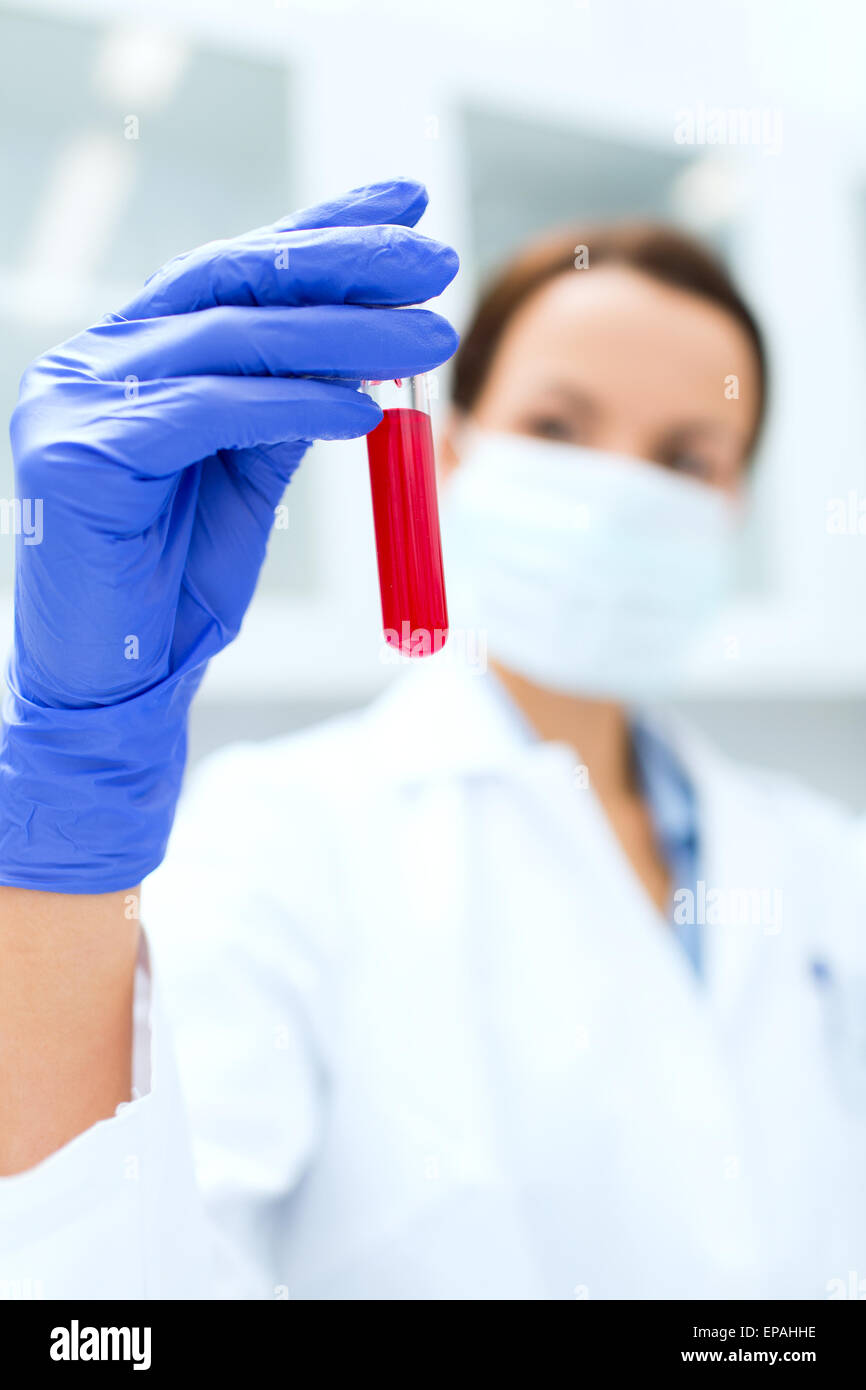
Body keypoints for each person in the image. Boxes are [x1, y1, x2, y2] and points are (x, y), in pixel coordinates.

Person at [1, 178, 864, 1301]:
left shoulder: (818, 863)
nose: (615, 489)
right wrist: (60, 849)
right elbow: (116, 1304)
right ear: (449, 454)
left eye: (684, 456)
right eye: (557, 428)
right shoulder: (278, 836)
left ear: (733, 503)